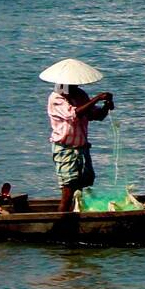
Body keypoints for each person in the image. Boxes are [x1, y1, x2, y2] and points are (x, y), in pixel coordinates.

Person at [47, 82, 114, 212]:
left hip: (82, 148)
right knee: (68, 189)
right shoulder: (56, 98)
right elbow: (74, 114)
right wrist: (97, 98)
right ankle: (60, 224)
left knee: (83, 187)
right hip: (65, 149)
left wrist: (106, 107)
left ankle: (76, 218)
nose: (75, 87)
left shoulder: (80, 95)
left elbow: (95, 115)